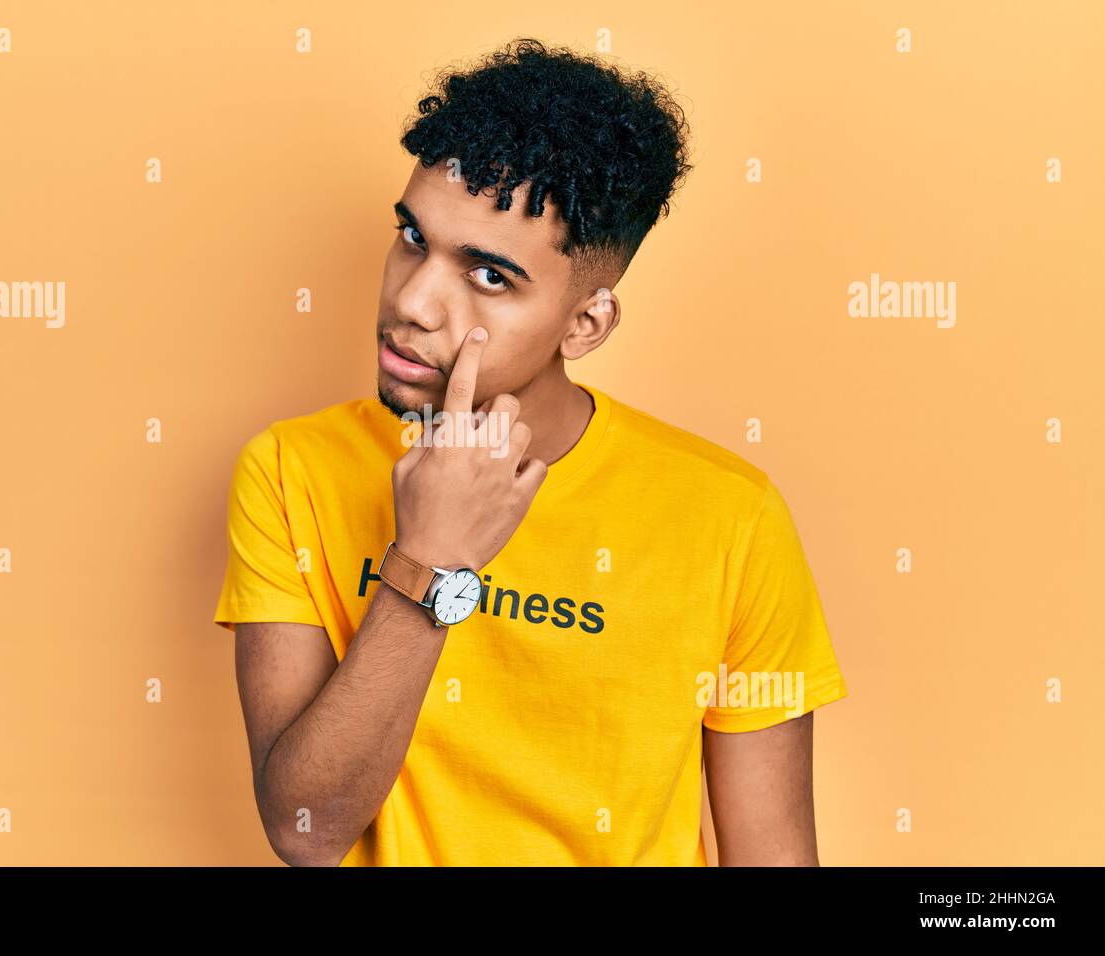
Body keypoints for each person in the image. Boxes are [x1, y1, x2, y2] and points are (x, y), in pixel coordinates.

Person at [213, 37, 848, 866]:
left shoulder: (731, 516)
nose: (412, 301)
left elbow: (773, 855)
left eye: (488, 277)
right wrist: (430, 563)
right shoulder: (291, 470)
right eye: (412, 237)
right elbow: (306, 830)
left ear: (585, 323)